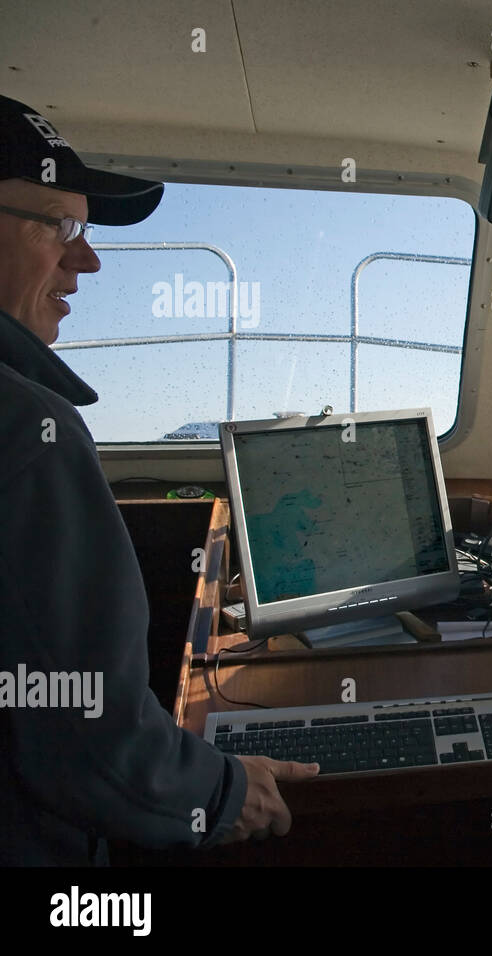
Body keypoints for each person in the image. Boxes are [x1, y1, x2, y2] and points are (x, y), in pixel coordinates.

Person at [0, 93, 317, 865]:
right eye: (59, 224)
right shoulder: (27, 431)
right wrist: (224, 792)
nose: (88, 258)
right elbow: (89, 739)